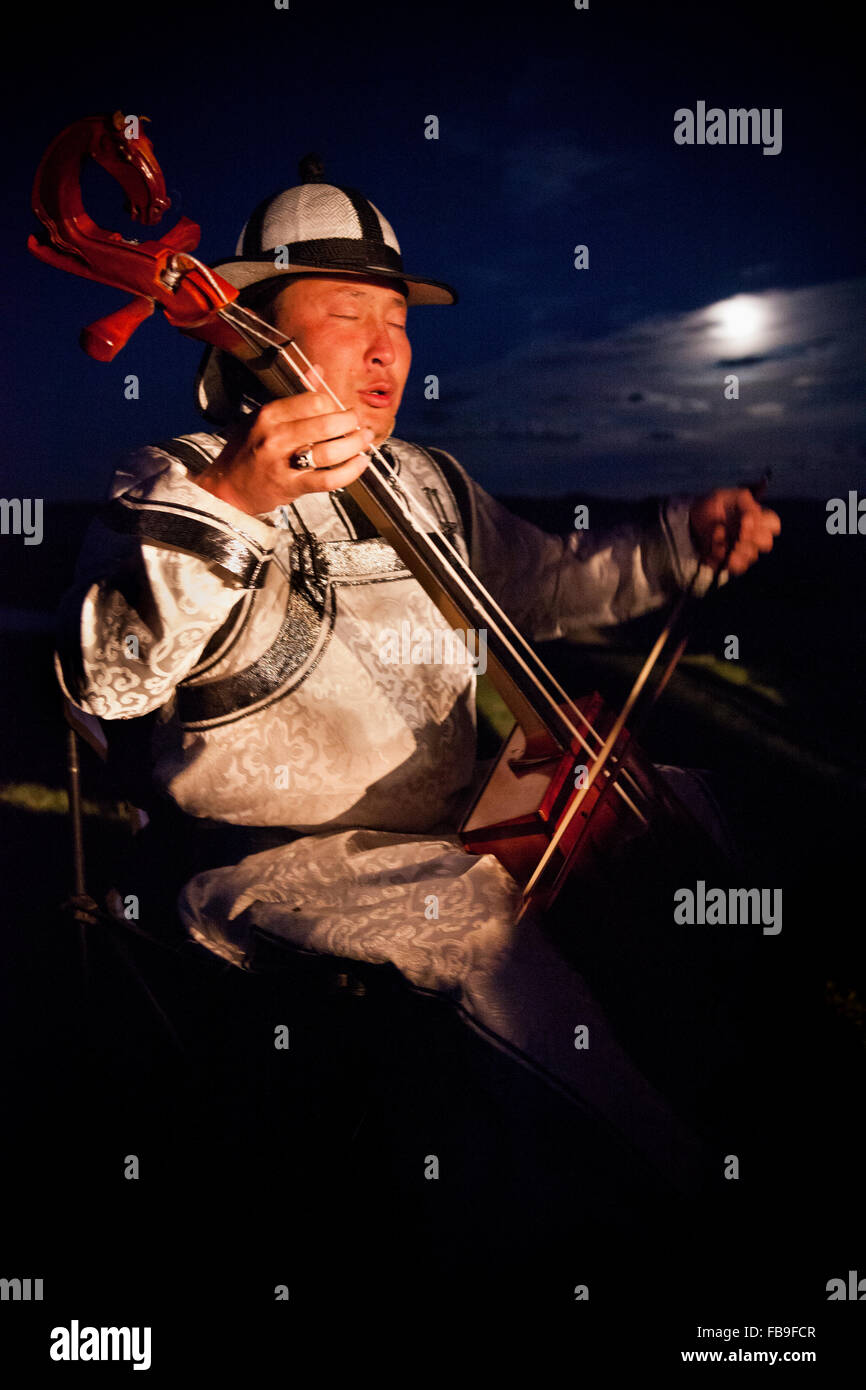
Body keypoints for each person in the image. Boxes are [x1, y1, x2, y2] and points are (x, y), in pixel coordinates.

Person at [54, 159, 780, 1197]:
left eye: (396, 317)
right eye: (348, 313)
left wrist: (673, 542)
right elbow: (108, 682)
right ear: (245, 328)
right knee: (479, 935)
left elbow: (552, 588)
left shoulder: (431, 483)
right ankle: (658, 1195)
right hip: (260, 864)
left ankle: (749, 1059)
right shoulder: (175, 480)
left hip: (449, 832)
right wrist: (233, 503)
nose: (386, 347)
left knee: (682, 802)